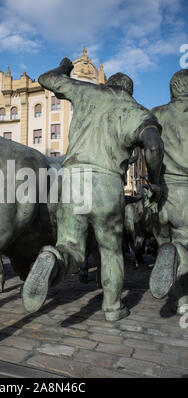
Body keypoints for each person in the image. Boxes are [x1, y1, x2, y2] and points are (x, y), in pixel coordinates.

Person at [22, 57, 164, 321]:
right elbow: (154, 147)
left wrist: (64, 67)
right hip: (107, 183)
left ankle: (55, 259)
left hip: (72, 178)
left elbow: (45, 79)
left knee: (71, 246)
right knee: (110, 249)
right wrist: (154, 181)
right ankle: (112, 308)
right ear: (128, 91)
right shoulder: (137, 110)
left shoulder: (86, 91)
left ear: (107, 85)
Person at [149, 69, 188, 315]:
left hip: (164, 195)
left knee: (167, 244)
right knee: (182, 246)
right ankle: (181, 254)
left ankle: (182, 302)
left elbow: (150, 150)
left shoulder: (156, 114)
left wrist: (154, 183)